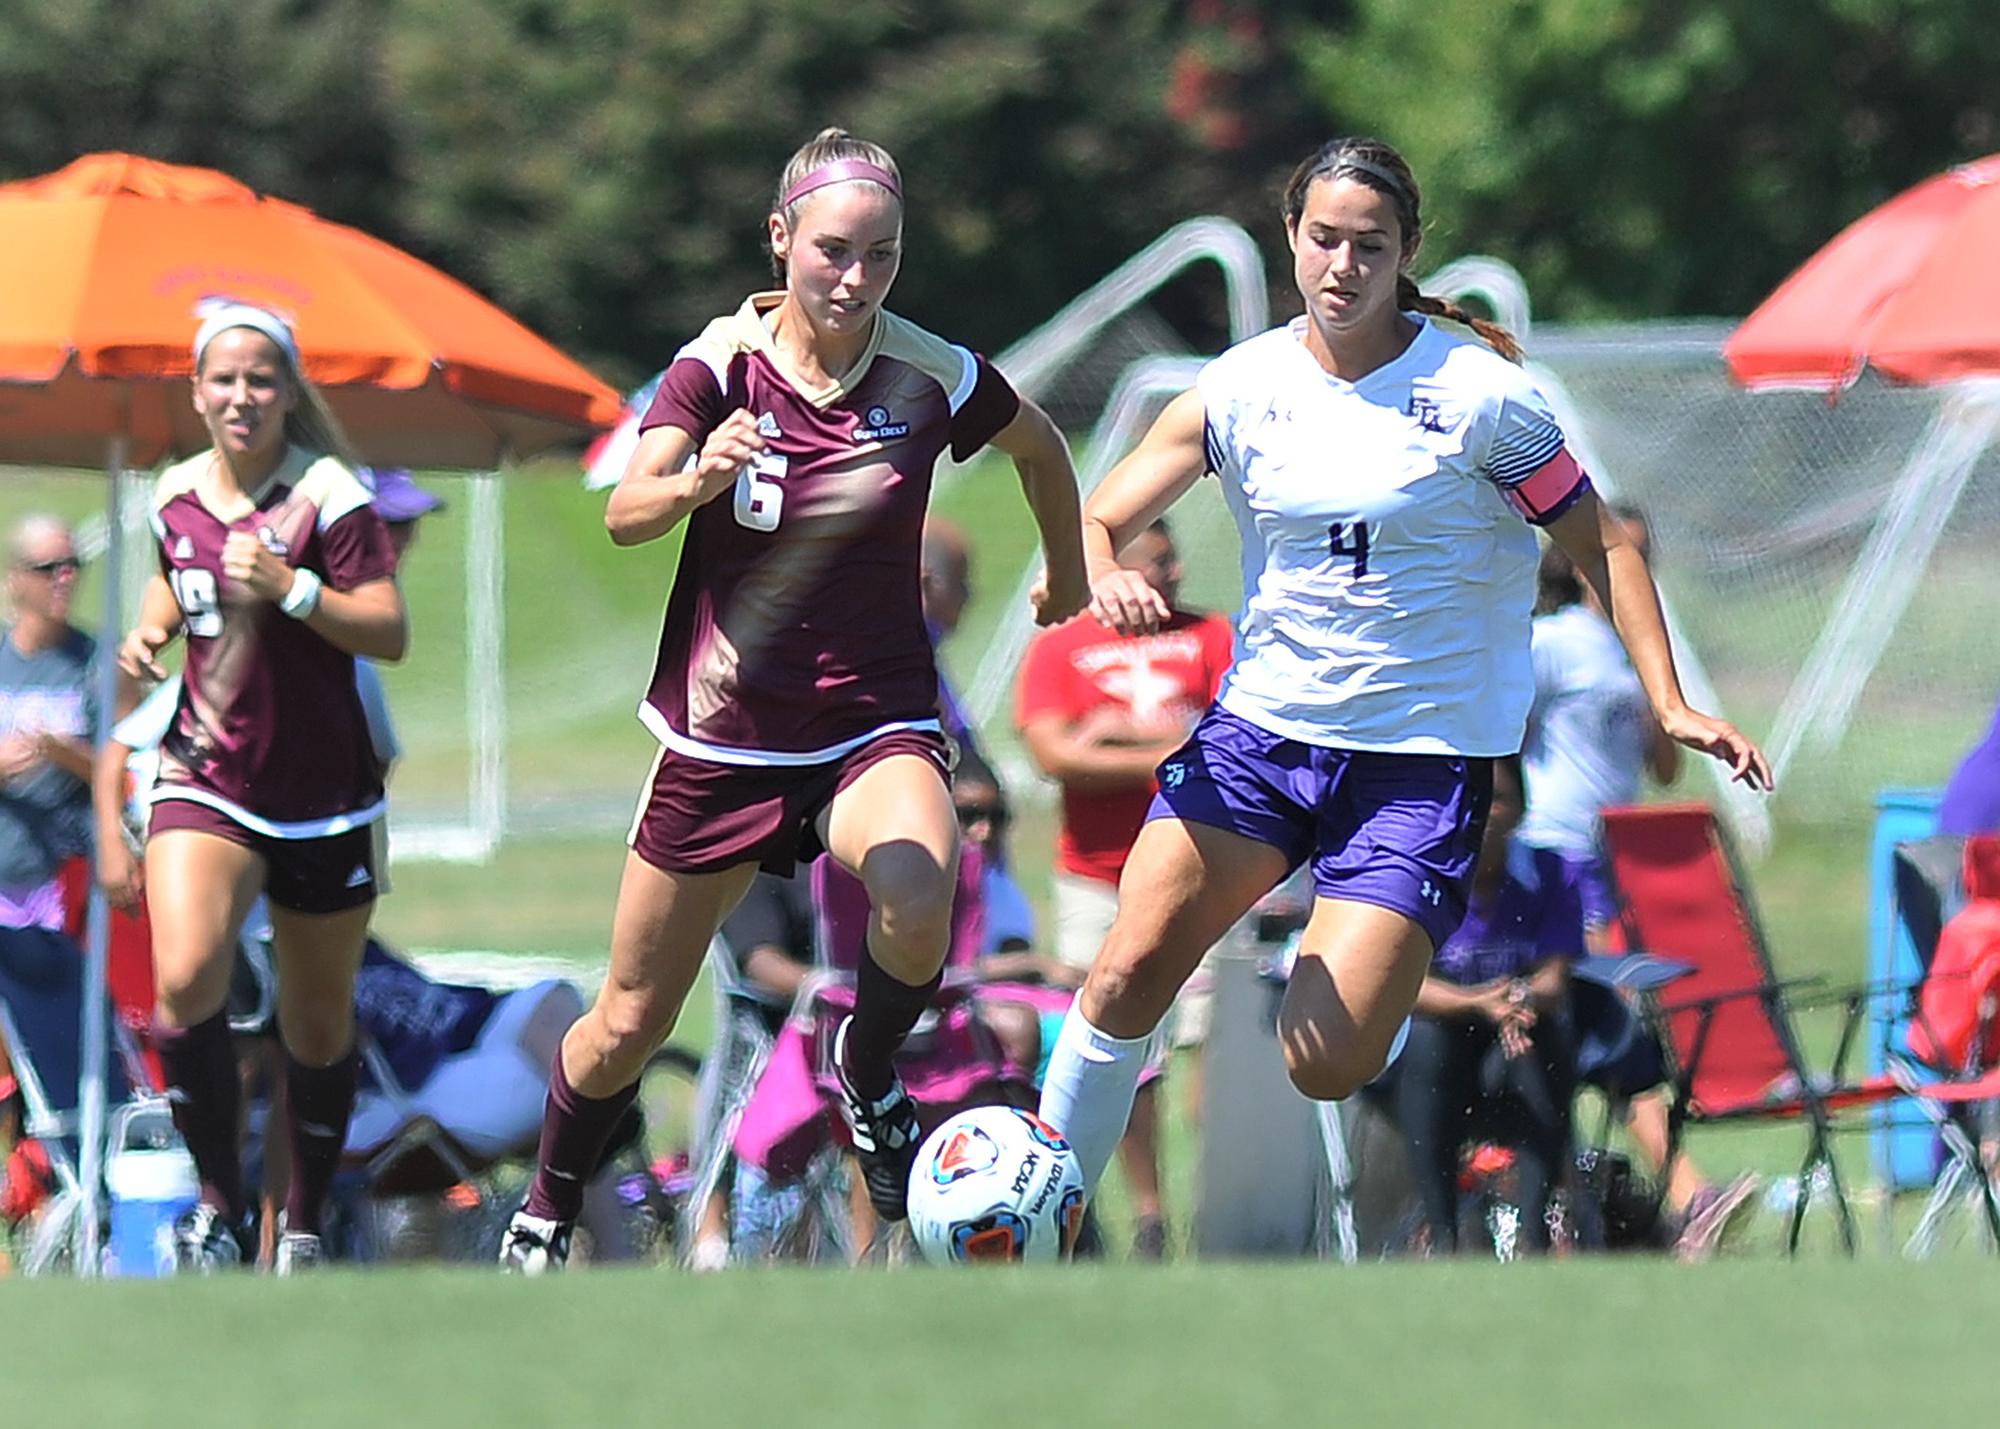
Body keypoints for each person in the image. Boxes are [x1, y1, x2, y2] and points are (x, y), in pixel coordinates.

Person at [1033, 136, 1772, 1212]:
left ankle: (1327, 951)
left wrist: (1668, 699)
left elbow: (1602, 541)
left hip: (1415, 767)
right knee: (1123, 970)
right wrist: (1096, 573)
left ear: (1406, 251)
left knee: (1320, 1059)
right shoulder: (1240, 387)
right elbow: (1100, 514)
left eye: (1367, 246)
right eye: (1321, 239)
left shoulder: (1478, 397)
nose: (1341, 265)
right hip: (1261, 738)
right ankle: (1036, 1216)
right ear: (1289, 238)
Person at [502, 128, 1088, 1271]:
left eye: (882, 255)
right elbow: (627, 511)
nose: (856, 279)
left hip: (870, 724)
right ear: (780, 241)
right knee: (625, 1022)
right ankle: (545, 1204)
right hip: (722, 741)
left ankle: (866, 1072)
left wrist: (1065, 569)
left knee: (922, 884)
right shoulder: (716, 364)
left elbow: (1039, 443)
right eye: (832, 252)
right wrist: (693, 479)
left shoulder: (928, 372)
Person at [115, 301, 407, 1273]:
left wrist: (293, 586)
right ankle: (218, 1206)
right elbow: (178, 574)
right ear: (197, 392)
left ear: (287, 392)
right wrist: (150, 628)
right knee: (183, 979)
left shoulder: (328, 495)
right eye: (224, 379)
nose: (242, 395)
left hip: (326, 796)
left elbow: (387, 630)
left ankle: (307, 1221)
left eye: (261, 378)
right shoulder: (173, 496)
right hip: (205, 774)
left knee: (316, 1024)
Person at [1522, 513, 1759, 1257]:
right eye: (1627, 556)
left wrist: (1661, 701)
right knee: (1601, 1017)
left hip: (1617, 861)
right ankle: (1682, 1193)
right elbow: (1502, 736)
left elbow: (1662, 770)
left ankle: (1640, 1200)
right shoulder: (1552, 643)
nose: (1637, 571)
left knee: (1614, 1021)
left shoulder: (1634, 653)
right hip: (1558, 855)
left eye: (1646, 559)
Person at [1017, 517, 1232, 1256]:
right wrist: (1171, 749)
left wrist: (1111, 736)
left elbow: (1232, 741)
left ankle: (1220, 1206)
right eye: (1156, 564)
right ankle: (1146, 1213)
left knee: (1212, 1047)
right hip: (1094, 878)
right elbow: (1052, 752)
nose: (1172, 576)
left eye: (1174, 562)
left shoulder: (1212, 636)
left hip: (1203, 871)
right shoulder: (1061, 647)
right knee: (1119, 1048)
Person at [1395, 758, 1577, 1255]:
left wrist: (1514, 1003)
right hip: (1436, 1043)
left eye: (1499, 799)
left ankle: (1535, 1233)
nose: (1487, 813)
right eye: (1474, 800)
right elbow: (1404, 985)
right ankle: (1443, 1231)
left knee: (1536, 1042)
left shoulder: (1550, 870)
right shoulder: (1418, 877)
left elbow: (1554, 979)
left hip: (1515, 1033)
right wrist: (1480, 1003)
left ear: (1520, 809)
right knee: (1426, 1044)